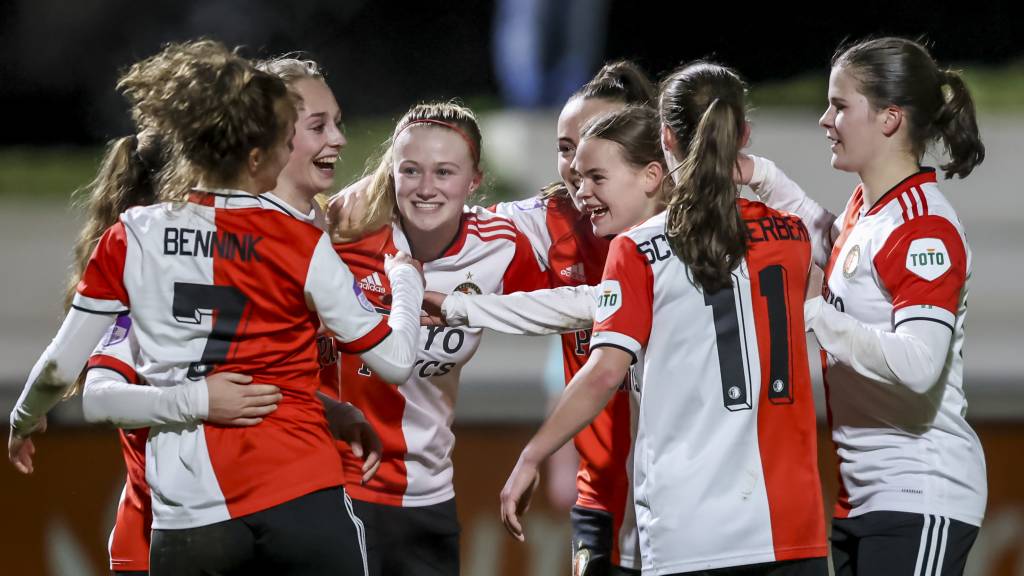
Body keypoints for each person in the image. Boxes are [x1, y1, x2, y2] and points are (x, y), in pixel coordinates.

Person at [8, 40, 423, 576]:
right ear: (256, 156)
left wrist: (24, 418)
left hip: (191, 519)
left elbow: (63, 372)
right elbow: (394, 362)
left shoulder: (131, 237)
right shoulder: (299, 241)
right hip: (302, 495)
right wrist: (407, 284)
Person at [500, 61, 828, 575]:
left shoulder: (639, 248)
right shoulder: (793, 236)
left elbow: (605, 368)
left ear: (663, 140)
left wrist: (532, 455)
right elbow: (832, 235)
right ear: (742, 134)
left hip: (689, 528)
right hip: (792, 526)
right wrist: (761, 173)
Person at [336, 60, 657, 575]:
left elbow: (591, 312)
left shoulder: (689, 242)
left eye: (598, 143)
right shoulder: (531, 230)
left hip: (678, 493)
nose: (577, 166)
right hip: (594, 499)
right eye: (565, 147)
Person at [751, 37, 987, 575]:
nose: (824, 120)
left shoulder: (923, 228)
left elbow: (918, 364)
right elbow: (839, 249)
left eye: (839, 105)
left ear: (889, 119)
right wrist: (761, 177)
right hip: (867, 496)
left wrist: (814, 312)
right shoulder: (872, 209)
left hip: (920, 494)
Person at [325, 100, 546, 576]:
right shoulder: (340, 234)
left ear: (474, 182)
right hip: (335, 488)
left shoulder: (502, 244)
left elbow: (570, 303)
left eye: (444, 172)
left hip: (430, 493)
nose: (426, 188)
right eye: (411, 170)